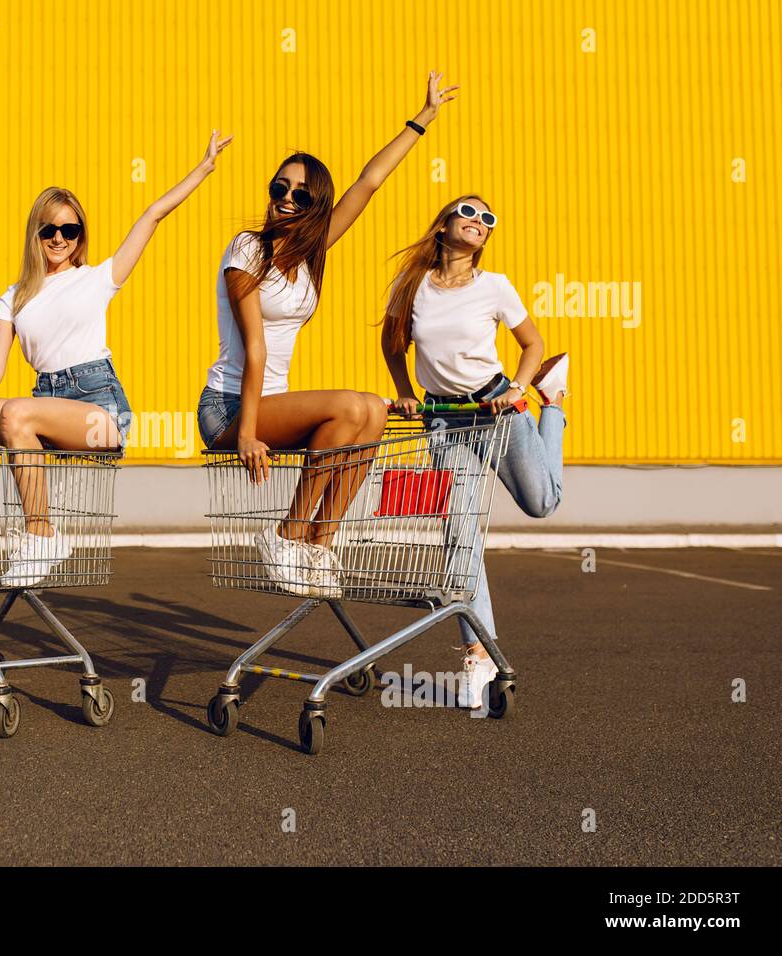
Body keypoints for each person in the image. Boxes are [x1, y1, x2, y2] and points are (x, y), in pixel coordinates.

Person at [0, 130, 234, 588]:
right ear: (36, 232)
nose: (59, 238)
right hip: (42, 408)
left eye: (70, 229)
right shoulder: (16, 295)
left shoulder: (97, 278)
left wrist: (203, 168)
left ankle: (42, 533)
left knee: (16, 412)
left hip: (101, 413)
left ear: (80, 234)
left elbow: (152, 216)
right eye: (49, 229)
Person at [197, 72, 460, 598]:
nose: (287, 198)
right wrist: (247, 433)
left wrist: (421, 121)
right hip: (229, 407)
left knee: (372, 409)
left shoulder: (311, 256)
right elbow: (254, 347)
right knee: (347, 404)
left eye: (300, 192)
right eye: (280, 187)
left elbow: (367, 183)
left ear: (316, 203)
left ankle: (319, 542)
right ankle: (289, 534)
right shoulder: (247, 248)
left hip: (271, 404)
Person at [381, 194, 569, 709]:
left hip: (493, 410)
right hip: (443, 420)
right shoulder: (412, 285)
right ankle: (477, 652)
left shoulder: (495, 287)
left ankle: (552, 405)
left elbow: (531, 342)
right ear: (443, 225)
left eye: (490, 218)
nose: (481, 222)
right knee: (459, 539)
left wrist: (522, 388)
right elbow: (392, 344)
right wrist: (404, 392)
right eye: (471, 213)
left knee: (541, 503)